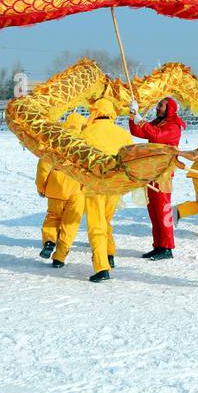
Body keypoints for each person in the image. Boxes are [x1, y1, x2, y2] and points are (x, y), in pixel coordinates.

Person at [80, 97, 134, 282]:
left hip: (95, 184)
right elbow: (130, 157)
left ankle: (101, 266)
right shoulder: (122, 133)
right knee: (106, 220)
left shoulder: (86, 133)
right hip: (116, 185)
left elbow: (78, 159)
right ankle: (110, 253)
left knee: (96, 225)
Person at [128, 96, 186, 260]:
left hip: (163, 174)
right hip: (151, 171)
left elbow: (157, 135)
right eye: (158, 105)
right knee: (153, 211)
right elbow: (138, 131)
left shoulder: (173, 126)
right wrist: (133, 115)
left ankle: (167, 247)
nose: (157, 108)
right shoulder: (158, 122)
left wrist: (141, 120)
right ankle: (158, 245)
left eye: (161, 106)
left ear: (170, 109)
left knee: (163, 210)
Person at [36, 112, 87, 267]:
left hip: (56, 187)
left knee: (53, 217)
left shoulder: (56, 142)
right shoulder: (85, 145)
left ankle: (49, 241)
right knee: (70, 224)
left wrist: (41, 187)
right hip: (77, 189)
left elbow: (43, 167)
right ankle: (60, 256)